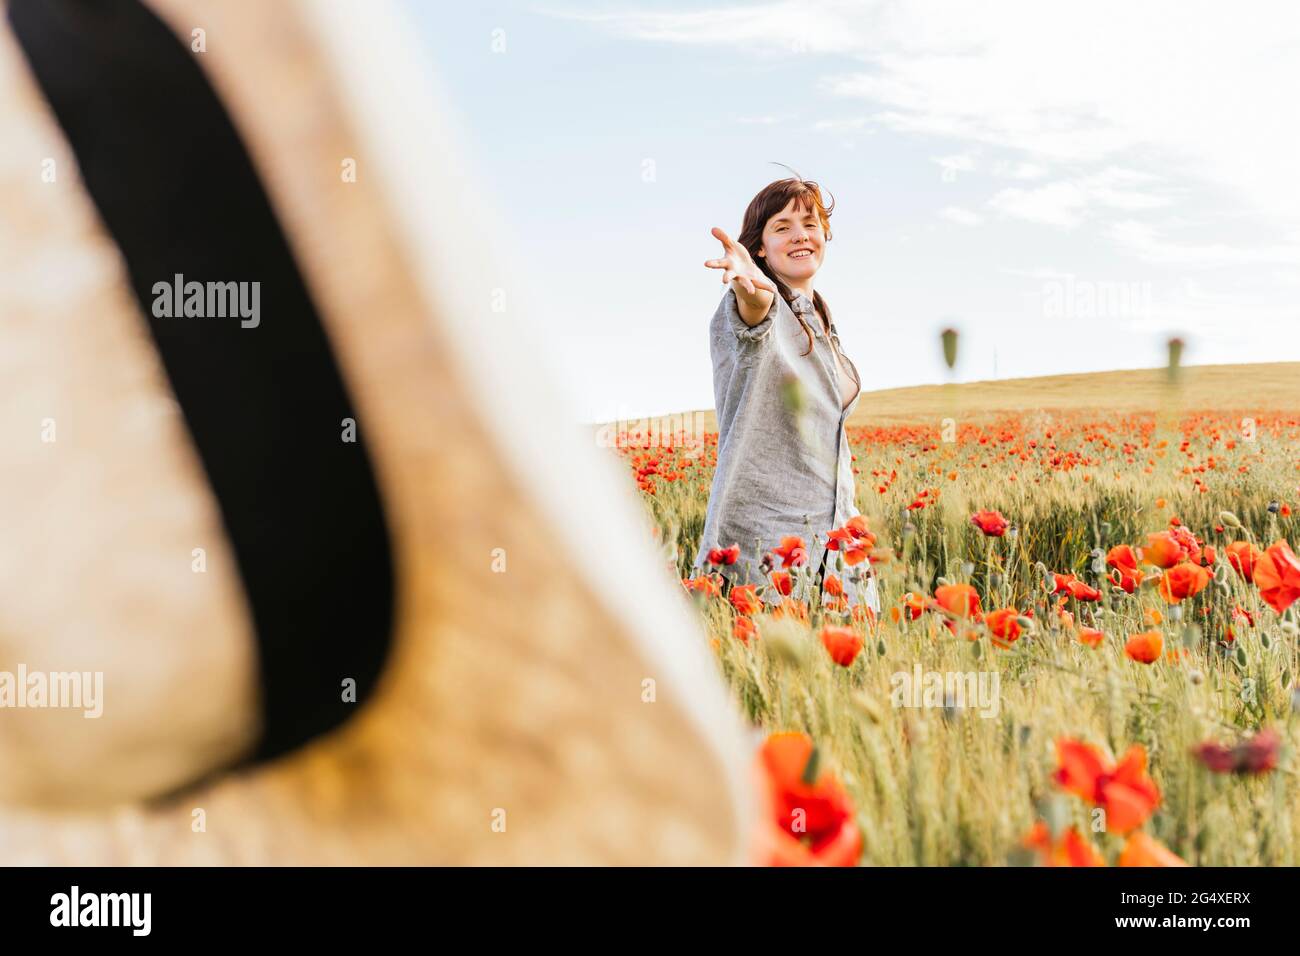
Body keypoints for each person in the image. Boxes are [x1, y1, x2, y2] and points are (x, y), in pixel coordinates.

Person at [693, 175, 880, 615]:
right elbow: (755, 308)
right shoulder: (758, 305)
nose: (800, 234)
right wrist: (746, 282)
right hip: (766, 540)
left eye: (810, 224)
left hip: (838, 542)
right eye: (782, 226)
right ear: (759, 247)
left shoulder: (823, 324)